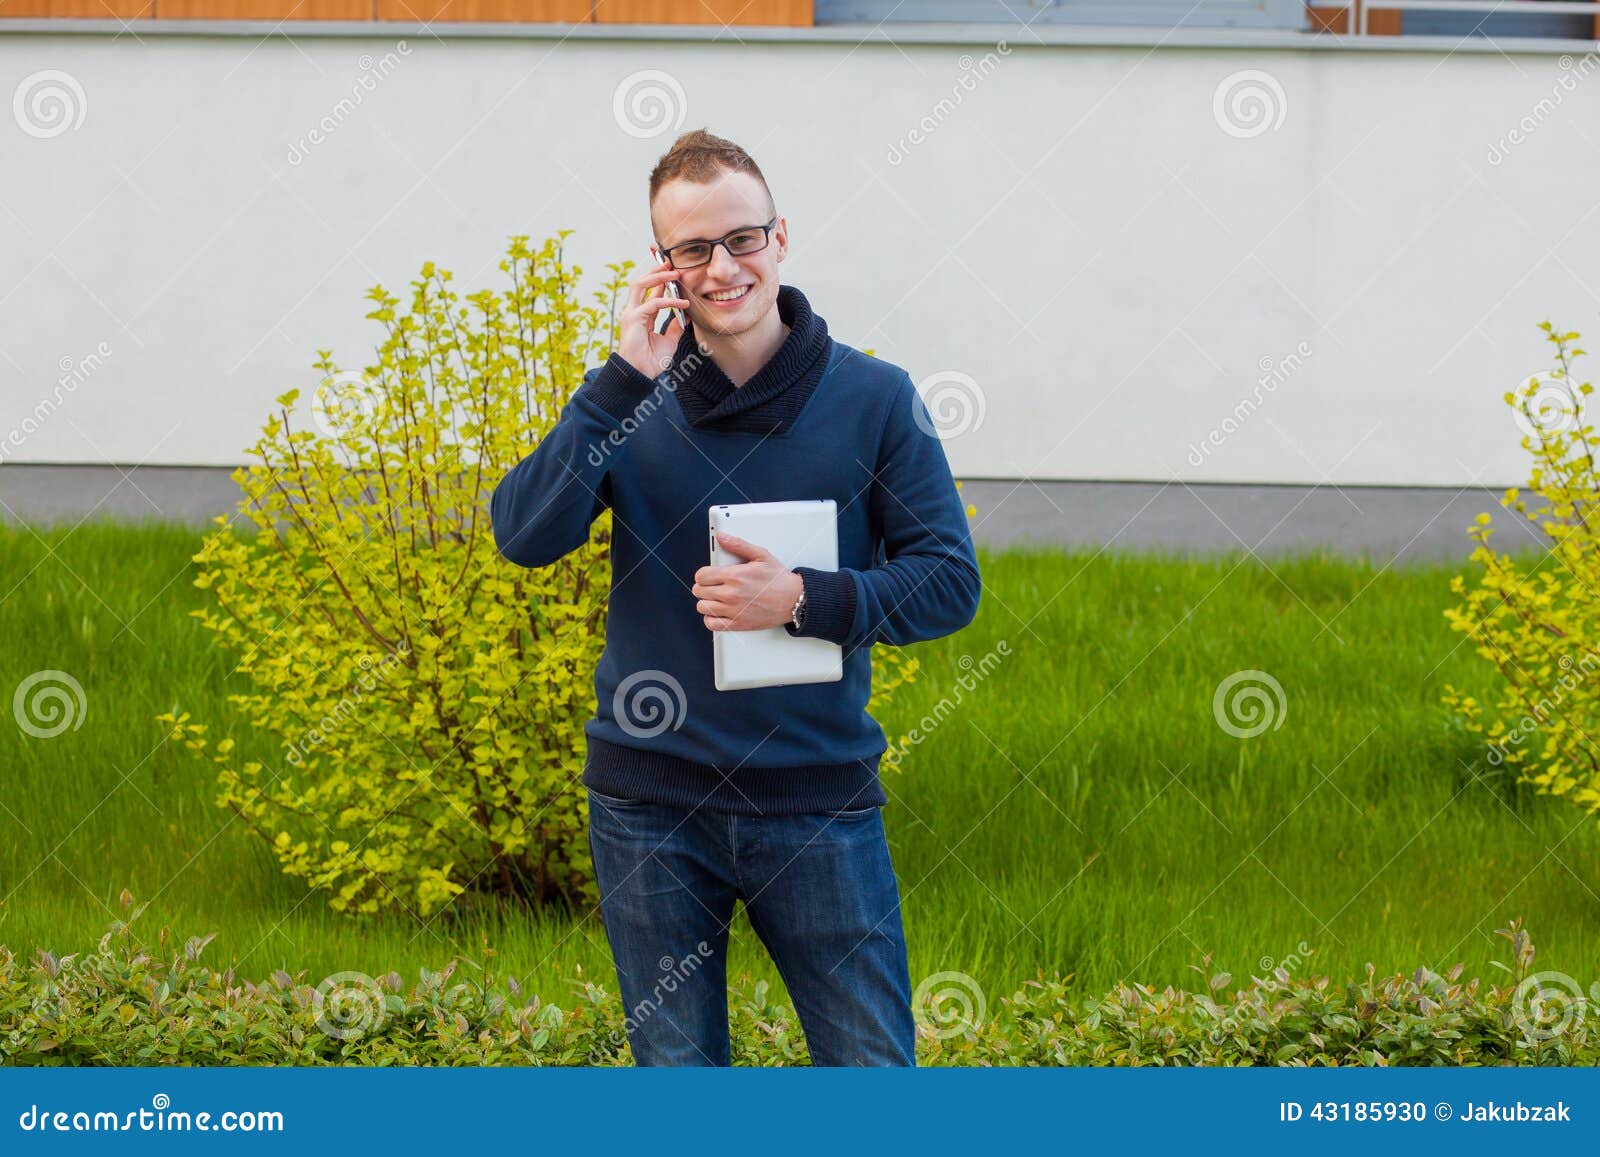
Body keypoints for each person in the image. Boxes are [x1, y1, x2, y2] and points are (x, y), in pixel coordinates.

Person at [489, 128, 981, 1066]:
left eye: (742, 239)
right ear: (662, 265)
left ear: (781, 237)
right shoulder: (626, 400)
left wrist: (802, 597)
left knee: (872, 1072)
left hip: (817, 801)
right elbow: (524, 536)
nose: (722, 268)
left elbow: (950, 583)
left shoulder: (875, 398)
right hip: (649, 804)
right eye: (693, 249)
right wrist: (615, 383)